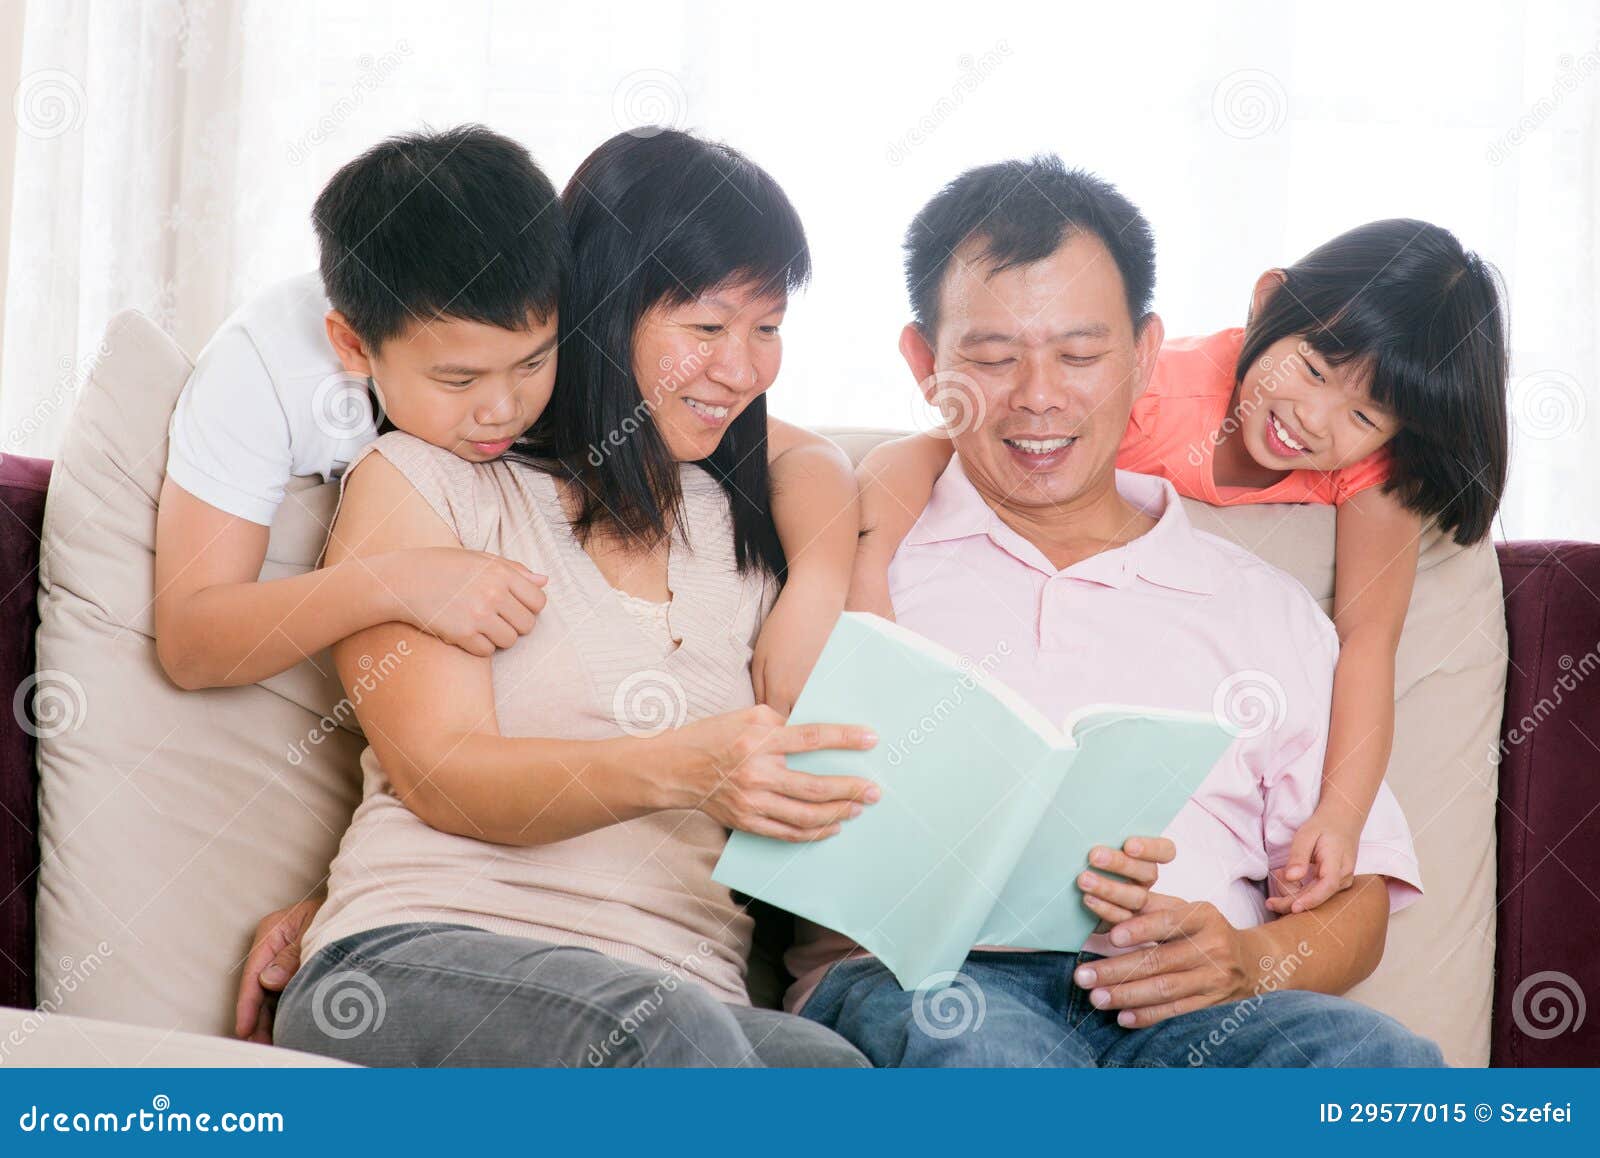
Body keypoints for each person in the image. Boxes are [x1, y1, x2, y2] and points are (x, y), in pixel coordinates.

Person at [254, 131, 1166, 1067]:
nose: (742, 370)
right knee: (665, 1031)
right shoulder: (427, 478)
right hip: (428, 952)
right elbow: (444, 774)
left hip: (686, 998)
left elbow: (838, 760)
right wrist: (683, 767)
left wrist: (1061, 862)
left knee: (838, 1077)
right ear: (602, 309)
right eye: (705, 328)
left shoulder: (748, 515)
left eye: (765, 329)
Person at [785, 157, 1443, 1067]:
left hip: (1186, 1010)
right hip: (936, 983)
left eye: (1081, 355)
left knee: (1384, 1070)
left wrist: (1247, 960)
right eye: (991, 356)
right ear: (924, 363)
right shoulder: (856, 545)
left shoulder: (1266, 609)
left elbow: (1358, 904)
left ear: (1144, 353)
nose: (1039, 396)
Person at [853, 211, 1508, 913]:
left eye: (1365, 416)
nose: (1317, 418)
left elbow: (1370, 642)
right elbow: (933, 451)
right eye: (1313, 370)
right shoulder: (1150, 392)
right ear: (1266, 302)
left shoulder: (1372, 470)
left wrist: (1339, 818)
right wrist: (862, 581)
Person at [154, 124, 861, 717]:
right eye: (458, 379)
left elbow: (802, 455)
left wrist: (818, 589)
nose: (502, 410)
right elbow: (191, 641)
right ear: (353, 347)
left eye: (531, 365)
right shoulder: (268, 372)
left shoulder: (567, 331)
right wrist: (395, 579)